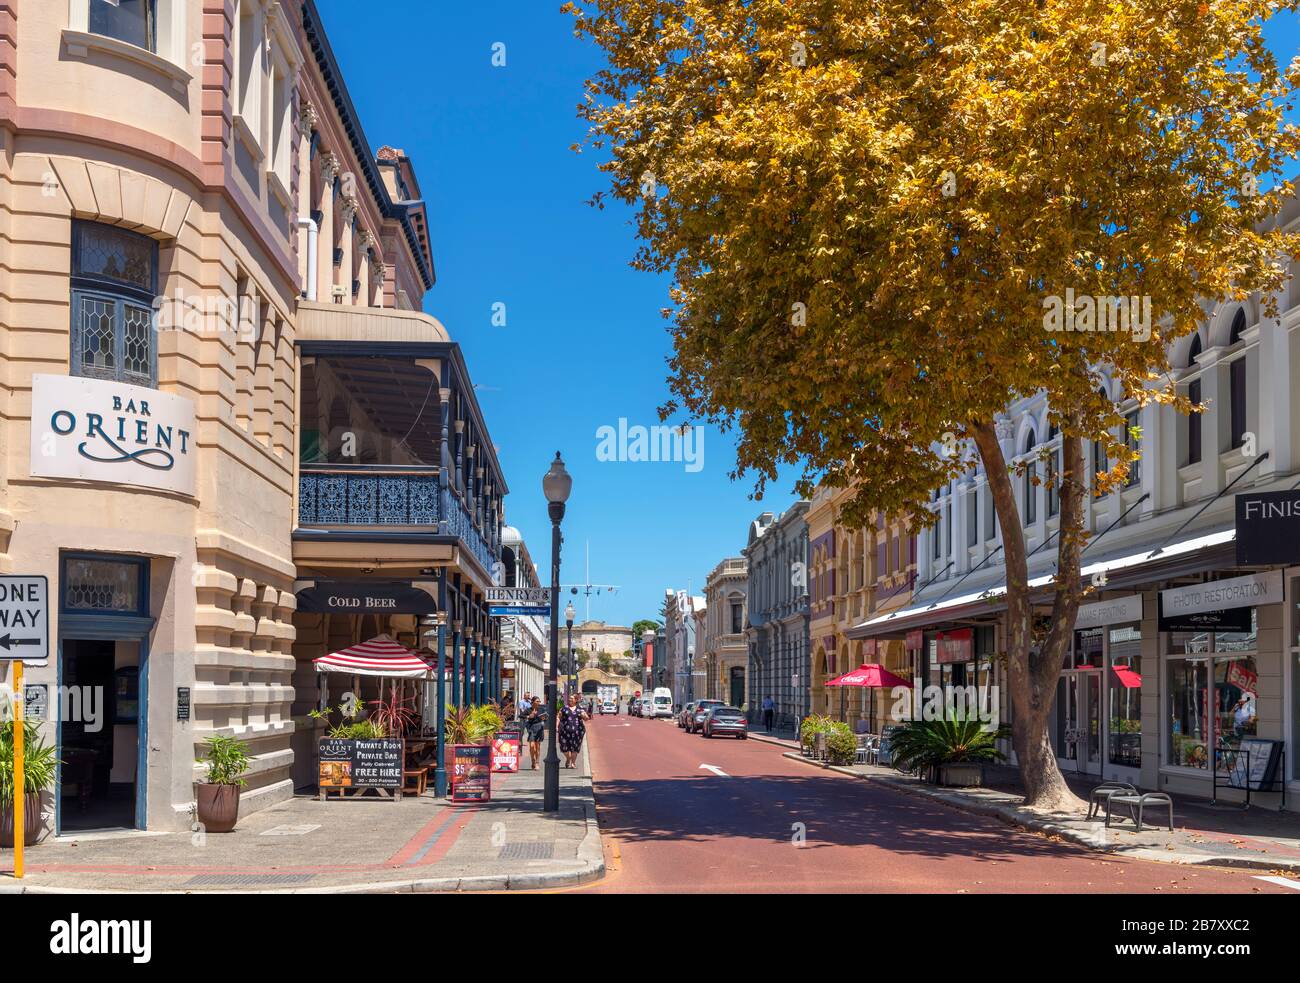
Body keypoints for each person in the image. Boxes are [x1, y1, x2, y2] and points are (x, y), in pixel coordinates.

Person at [558, 692, 587, 769]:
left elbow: (586, 718)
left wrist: (584, 716)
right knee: (564, 748)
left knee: (575, 748)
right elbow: (558, 717)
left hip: (577, 732)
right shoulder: (564, 708)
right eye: (569, 698)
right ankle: (568, 758)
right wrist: (557, 726)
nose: (570, 699)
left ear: (576, 700)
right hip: (564, 732)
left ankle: (573, 763)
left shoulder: (580, 709)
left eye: (572, 698)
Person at [525, 695, 547, 770]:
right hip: (531, 728)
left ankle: (537, 762)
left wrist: (543, 719)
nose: (538, 702)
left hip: (539, 728)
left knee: (537, 747)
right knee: (531, 746)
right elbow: (521, 716)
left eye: (539, 701)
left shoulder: (542, 709)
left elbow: (546, 718)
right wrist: (529, 716)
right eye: (537, 701)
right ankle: (533, 760)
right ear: (533, 702)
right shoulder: (528, 709)